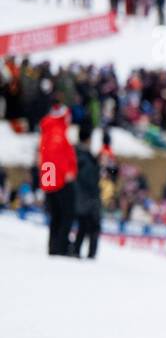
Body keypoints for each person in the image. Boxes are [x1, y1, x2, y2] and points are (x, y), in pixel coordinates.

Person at [38, 97, 77, 256]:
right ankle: (60, 247)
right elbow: (56, 159)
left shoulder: (49, 131)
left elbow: (46, 159)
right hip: (60, 182)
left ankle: (55, 246)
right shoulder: (57, 133)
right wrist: (66, 174)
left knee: (56, 216)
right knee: (64, 215)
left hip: (53, 181)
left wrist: (48, 183)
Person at [71, 122, 102, 259]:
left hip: (78, 196)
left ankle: (77, 250)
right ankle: (90, 255)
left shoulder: (75, 153)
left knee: (83, 227)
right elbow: (89, 180)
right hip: (88, 198)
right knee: (93, 227)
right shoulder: (85, 157)